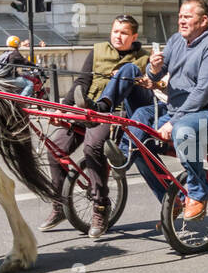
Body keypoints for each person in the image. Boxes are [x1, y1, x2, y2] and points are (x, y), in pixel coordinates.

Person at [41, 15, 152, 238]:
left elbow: (148, 87)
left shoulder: (143, 58)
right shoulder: (98, 50)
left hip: (113, 113)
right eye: (115, 31)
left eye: (123, 33)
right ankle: (59, 204)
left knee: (93, 148)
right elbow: (81, 82)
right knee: (54, 148)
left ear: (134, 36)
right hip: (85, 109)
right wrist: (63, 108)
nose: (117, 36)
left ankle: (101, 207)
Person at [132, 0, 208, 219]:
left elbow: (202, 93)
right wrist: (154, 68)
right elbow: (156, 74)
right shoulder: (176, 41)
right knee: (137, 140)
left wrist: (174, 121)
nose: (181, 21)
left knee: (183, 130)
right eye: (180, 17)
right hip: (177, 110)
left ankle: (197, 194)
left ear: (204, 20)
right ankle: (174, 200)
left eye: (187, 17)